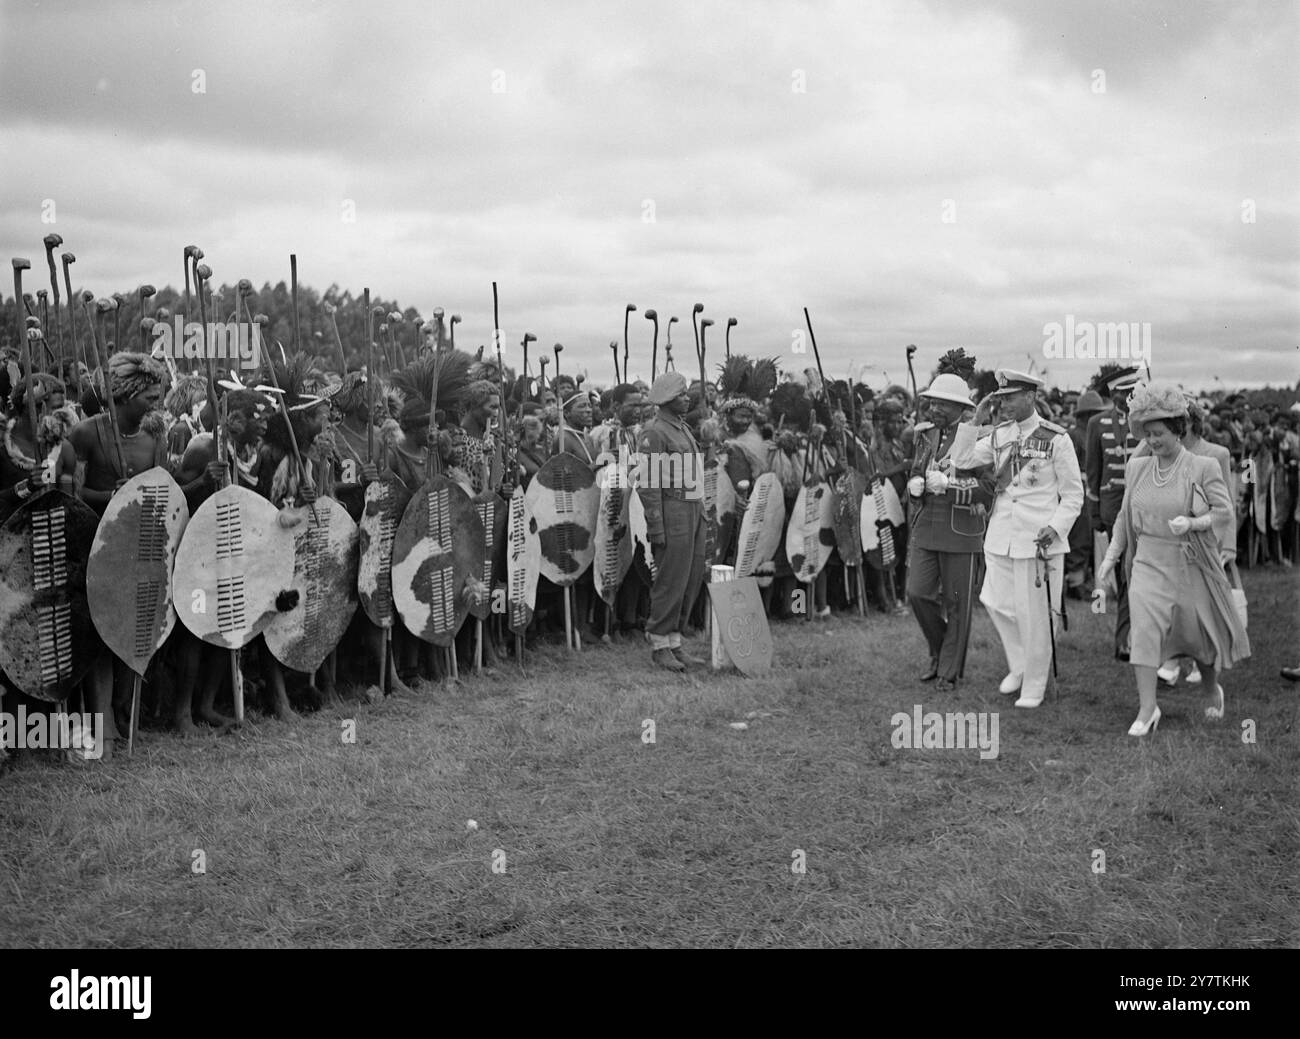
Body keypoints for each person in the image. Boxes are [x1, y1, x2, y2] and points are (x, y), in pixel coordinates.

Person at [1097, 384, 1249, 736]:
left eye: (1159, 433)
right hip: (1148, 563)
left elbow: (1224, 512)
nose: (1152, 441)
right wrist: (1111, 557)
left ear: (1178, 430)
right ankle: (1148, 708)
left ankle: (1211, 688)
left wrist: (1194, 523)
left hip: (1189, 563)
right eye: (1147, 434)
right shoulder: (1138, 469)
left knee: (1196, 636)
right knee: (1145, 631)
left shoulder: (1203, 466)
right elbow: (1123, 517)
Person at [949, 369, 1083, 708]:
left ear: (1030, 396)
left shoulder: (1057, 438)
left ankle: (1035, 683)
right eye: (1001, 397)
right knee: (995, 601)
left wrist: (1056, 527)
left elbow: (1072, 495)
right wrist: (973, 420)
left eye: (1010, 397)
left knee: (1035, 615)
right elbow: (961, 460)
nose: (1003, 403)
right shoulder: (998, 435)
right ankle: (1020, 665)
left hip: (1037, 539)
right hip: (1000, 535)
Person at [905, 373, 994, 692]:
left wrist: (953, 486)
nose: (935, 409)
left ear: (960, 408)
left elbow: (988, 487)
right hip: (927, 525)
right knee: (917, 593)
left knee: (957, 603)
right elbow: (918, 471)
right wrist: (914, 486)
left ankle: (948, 671)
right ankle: (942, 650)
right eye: (933, 402)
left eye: (943, 404)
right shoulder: (926, 435)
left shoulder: (979, 437)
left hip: (961, 529)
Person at [636, 371, 706, 671]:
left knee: (689, 578)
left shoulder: (682, 428)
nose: (687, 398)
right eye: (681, 394)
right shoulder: (654, 432)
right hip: (672, 508)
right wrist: (655, 525)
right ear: (666, 400)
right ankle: (659, 643)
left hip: (693, 507)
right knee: (670, 579)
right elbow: (648, 484)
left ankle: (675, 641)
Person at [1086, 367, 1142, 659]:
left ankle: (1130, 638)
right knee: (1122, 571)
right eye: (1124, 393)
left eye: (1133, 392)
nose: (1128, 398)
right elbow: (1093, 471)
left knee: (1133, 570)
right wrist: (1094, 512)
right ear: (1113, 394)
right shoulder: (1098, 423)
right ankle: (1124, 639)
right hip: (1111, 507)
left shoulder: (1144, 421)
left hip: (1141, 506)